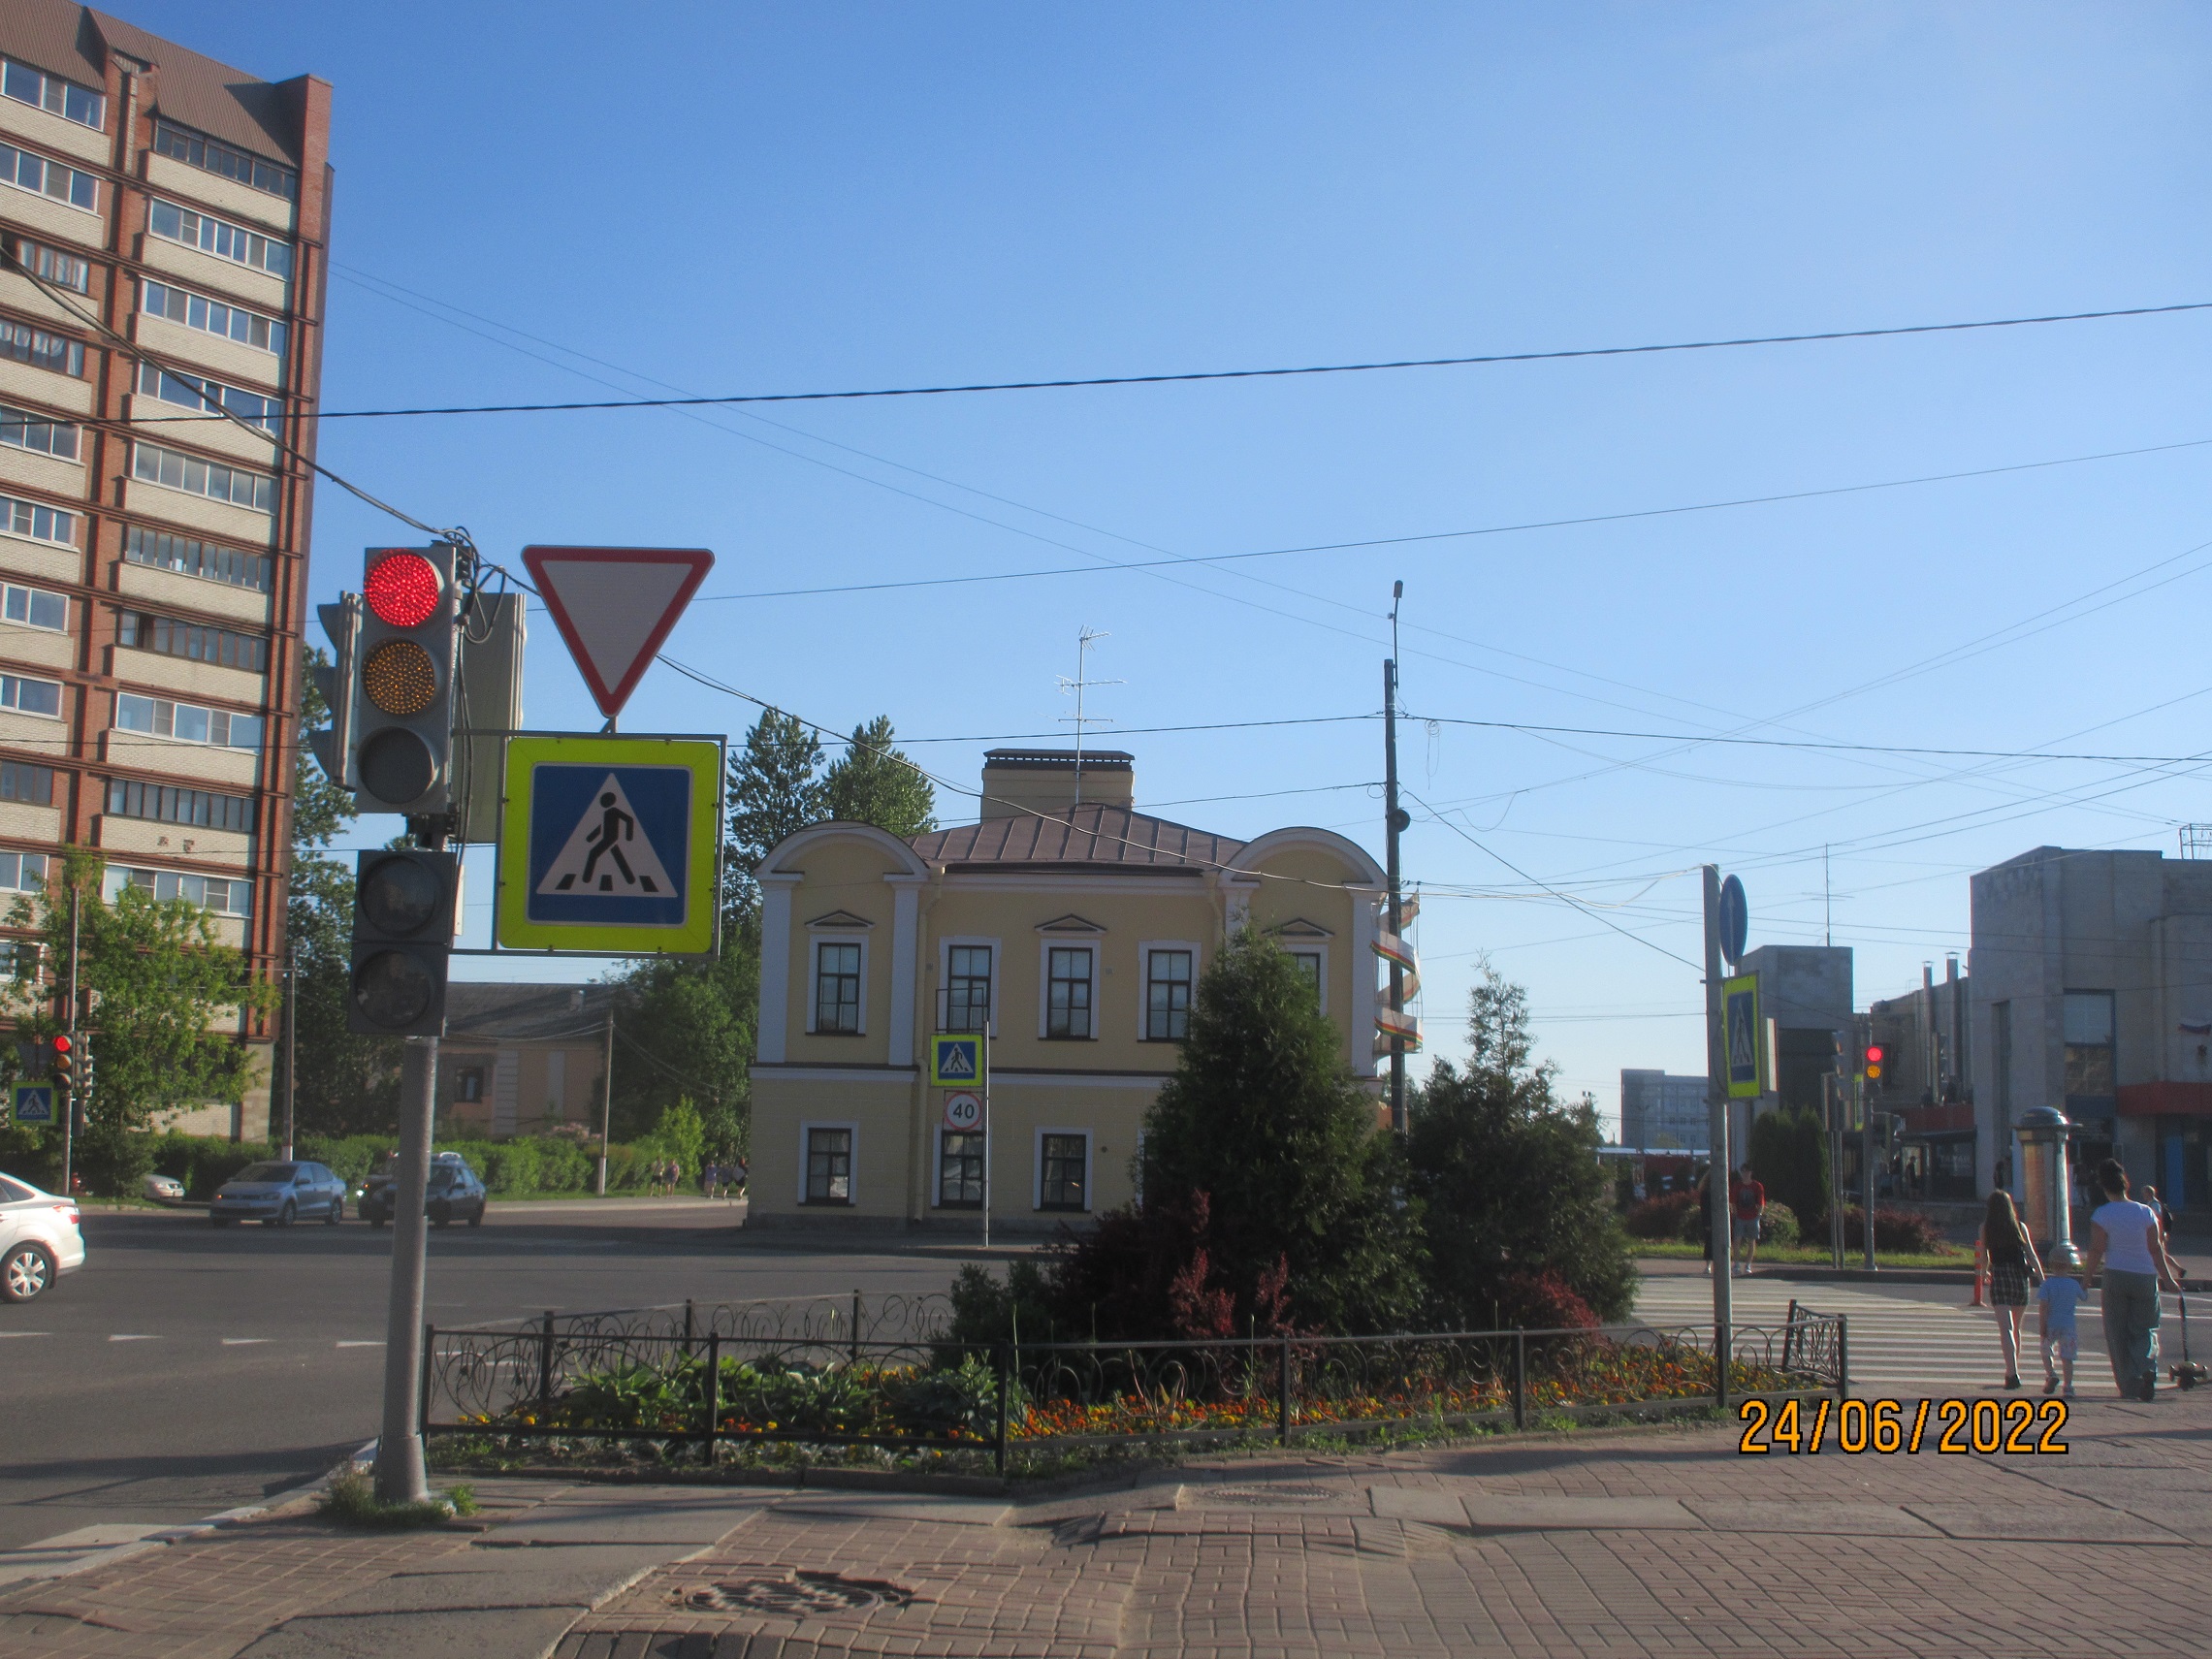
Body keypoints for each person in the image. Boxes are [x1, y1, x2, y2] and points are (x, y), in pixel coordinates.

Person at [2078, 1159, 2187, 1400]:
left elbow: (2096, 1250)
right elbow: (2156, 1250)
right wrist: (2168, 1279)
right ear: (2126, 1184)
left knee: (2117, 1331)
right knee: (2145, 1328)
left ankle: (2128, 1385)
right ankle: (2147, 1368)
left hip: (2116, 1275)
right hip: (2145, 1276)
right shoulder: (2145, 1212)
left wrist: (2086, 1279)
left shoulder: (2102, 1214)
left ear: (2104, 1186)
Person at [1974, 1188, 2040, 1390]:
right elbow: (2031, 1253)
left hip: (2000, 1277)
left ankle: (2012, 1372)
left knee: (2006, 1329)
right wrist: (2042, 1279)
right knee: (2016, 1329)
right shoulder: (2020, 1227)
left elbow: (1984, 1256)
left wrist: (1983, 1274)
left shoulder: (1986, 1227)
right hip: (2020, 1279)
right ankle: (2014, 1369)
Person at [2035, 1267, 2084, 1398]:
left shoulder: (2047, 1284)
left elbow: (2043, 1306)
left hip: (2051, 1324)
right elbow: (2084, 1296)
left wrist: (2042, 1325)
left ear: (2052, 1263)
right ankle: (2068, 1386)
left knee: (2046, 1350)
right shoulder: (2074, 1284)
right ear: (2068, 1264)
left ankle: (2051, 1374)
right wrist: (2085, 1285)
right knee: (2067, 1357)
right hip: (2068, 1325)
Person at [1731, 1164, 1767, 1277]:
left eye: (1747, 1171)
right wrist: (1735, 1214)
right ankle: (1736, 1265)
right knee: (1737, 1240)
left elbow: (1761, 1202)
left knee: (1751, 1241)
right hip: (1740, 1217)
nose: (1745, 1174)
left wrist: (1759, 1216)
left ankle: (1748, 1265)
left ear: (1751, 1173)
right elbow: (1732, 1202)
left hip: (1753, 1217)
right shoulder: (1737, 1186)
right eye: (1743, 1172)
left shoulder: (1757, 1186)